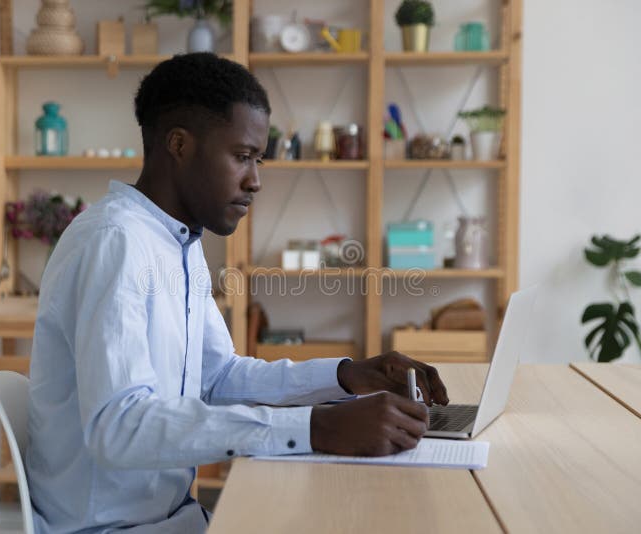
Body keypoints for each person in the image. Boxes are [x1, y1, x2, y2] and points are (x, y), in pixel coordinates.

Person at [25, 53, 448, 534]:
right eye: (242, 157)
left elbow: (219, 378)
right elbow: (118, 427)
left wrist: (348, 376)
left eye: (258, 159)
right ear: (180, 145)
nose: (256, 180)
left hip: (171, 519)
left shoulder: (178, 243)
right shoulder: (115, 242)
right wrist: (316, 427)